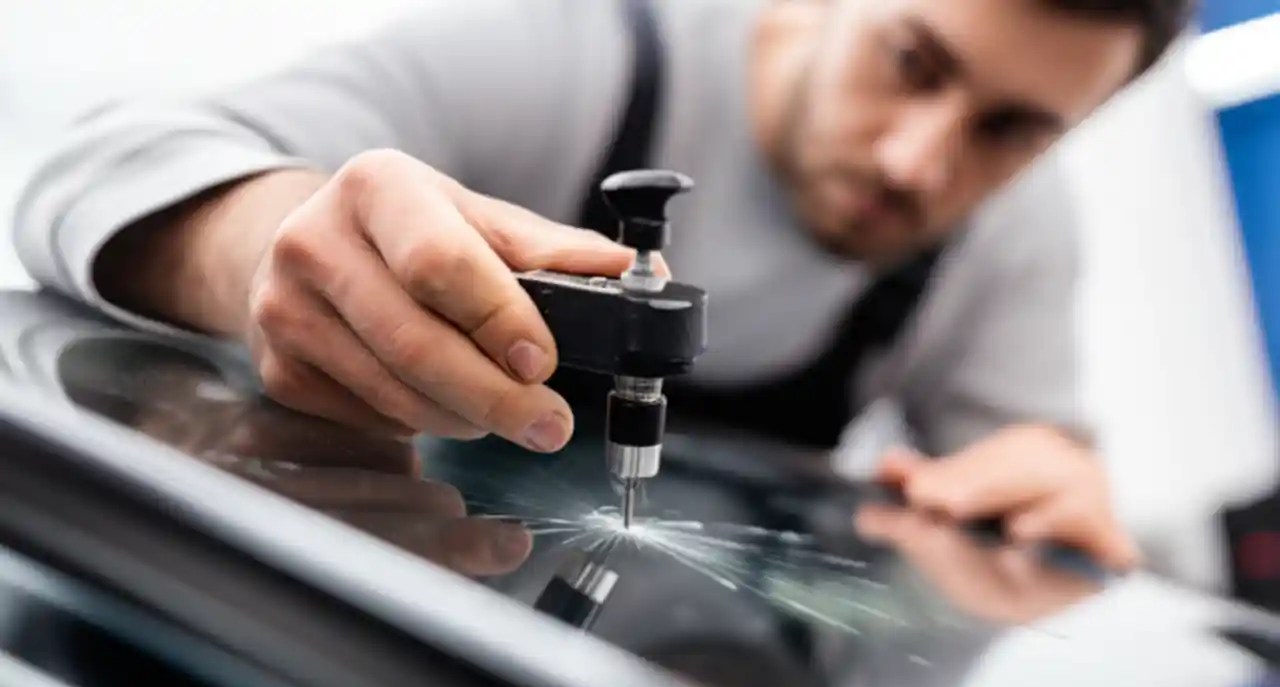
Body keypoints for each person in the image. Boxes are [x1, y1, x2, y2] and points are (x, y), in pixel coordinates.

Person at [12, 0, 1193, 570]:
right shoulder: (572, 53)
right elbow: (94, 169)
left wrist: (1050, 505)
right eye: (909, 61)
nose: (916, 163)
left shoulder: (1010, 237)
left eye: (1010, 131)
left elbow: (1024, 484)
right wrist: (267, 246)